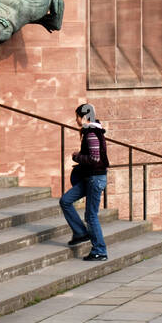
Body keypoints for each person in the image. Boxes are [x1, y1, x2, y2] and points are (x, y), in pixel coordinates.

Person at [59, 102, 109, 260]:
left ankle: (100, 251)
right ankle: (80, 233)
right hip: (90, 178)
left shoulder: (92, 133)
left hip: (95, 179)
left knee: (91, 216)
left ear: (84, 117)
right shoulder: (91, 131)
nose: (76, 120)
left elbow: (95, 158)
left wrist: (77, 157)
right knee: (66, 200)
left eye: (77, 117)